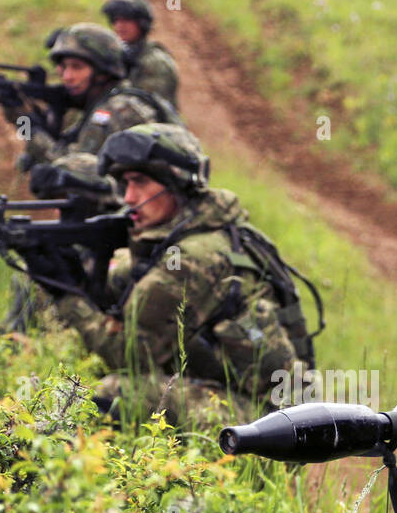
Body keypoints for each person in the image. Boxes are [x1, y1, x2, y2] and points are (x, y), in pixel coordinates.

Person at [50, 123, 314, 424]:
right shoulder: (199, 233)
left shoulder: (193, 257)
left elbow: (128, 356)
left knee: (115, 391)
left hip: (267, 422)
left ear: (177, 183)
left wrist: (66, 296)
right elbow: (123, 286)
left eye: (140, 182)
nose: (130, 197)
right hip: (253, 402)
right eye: (125, 184)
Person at [0, 23, 180, 332]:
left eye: (76, 67)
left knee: (45, 279)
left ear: (103, 69)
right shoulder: (106, 106)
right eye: (63, 67)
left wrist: (28, 126)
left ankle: (20, 354)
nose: (66, 76)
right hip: (117, 226)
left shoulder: (113, 112)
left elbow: (76, 172)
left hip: (133, 233)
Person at [102, 0, 181, 110]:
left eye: (126, 20)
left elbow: (147, 106)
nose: (119, 26)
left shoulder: (156, 62)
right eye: (115, 20)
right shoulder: (115, 55)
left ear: (142, 23)